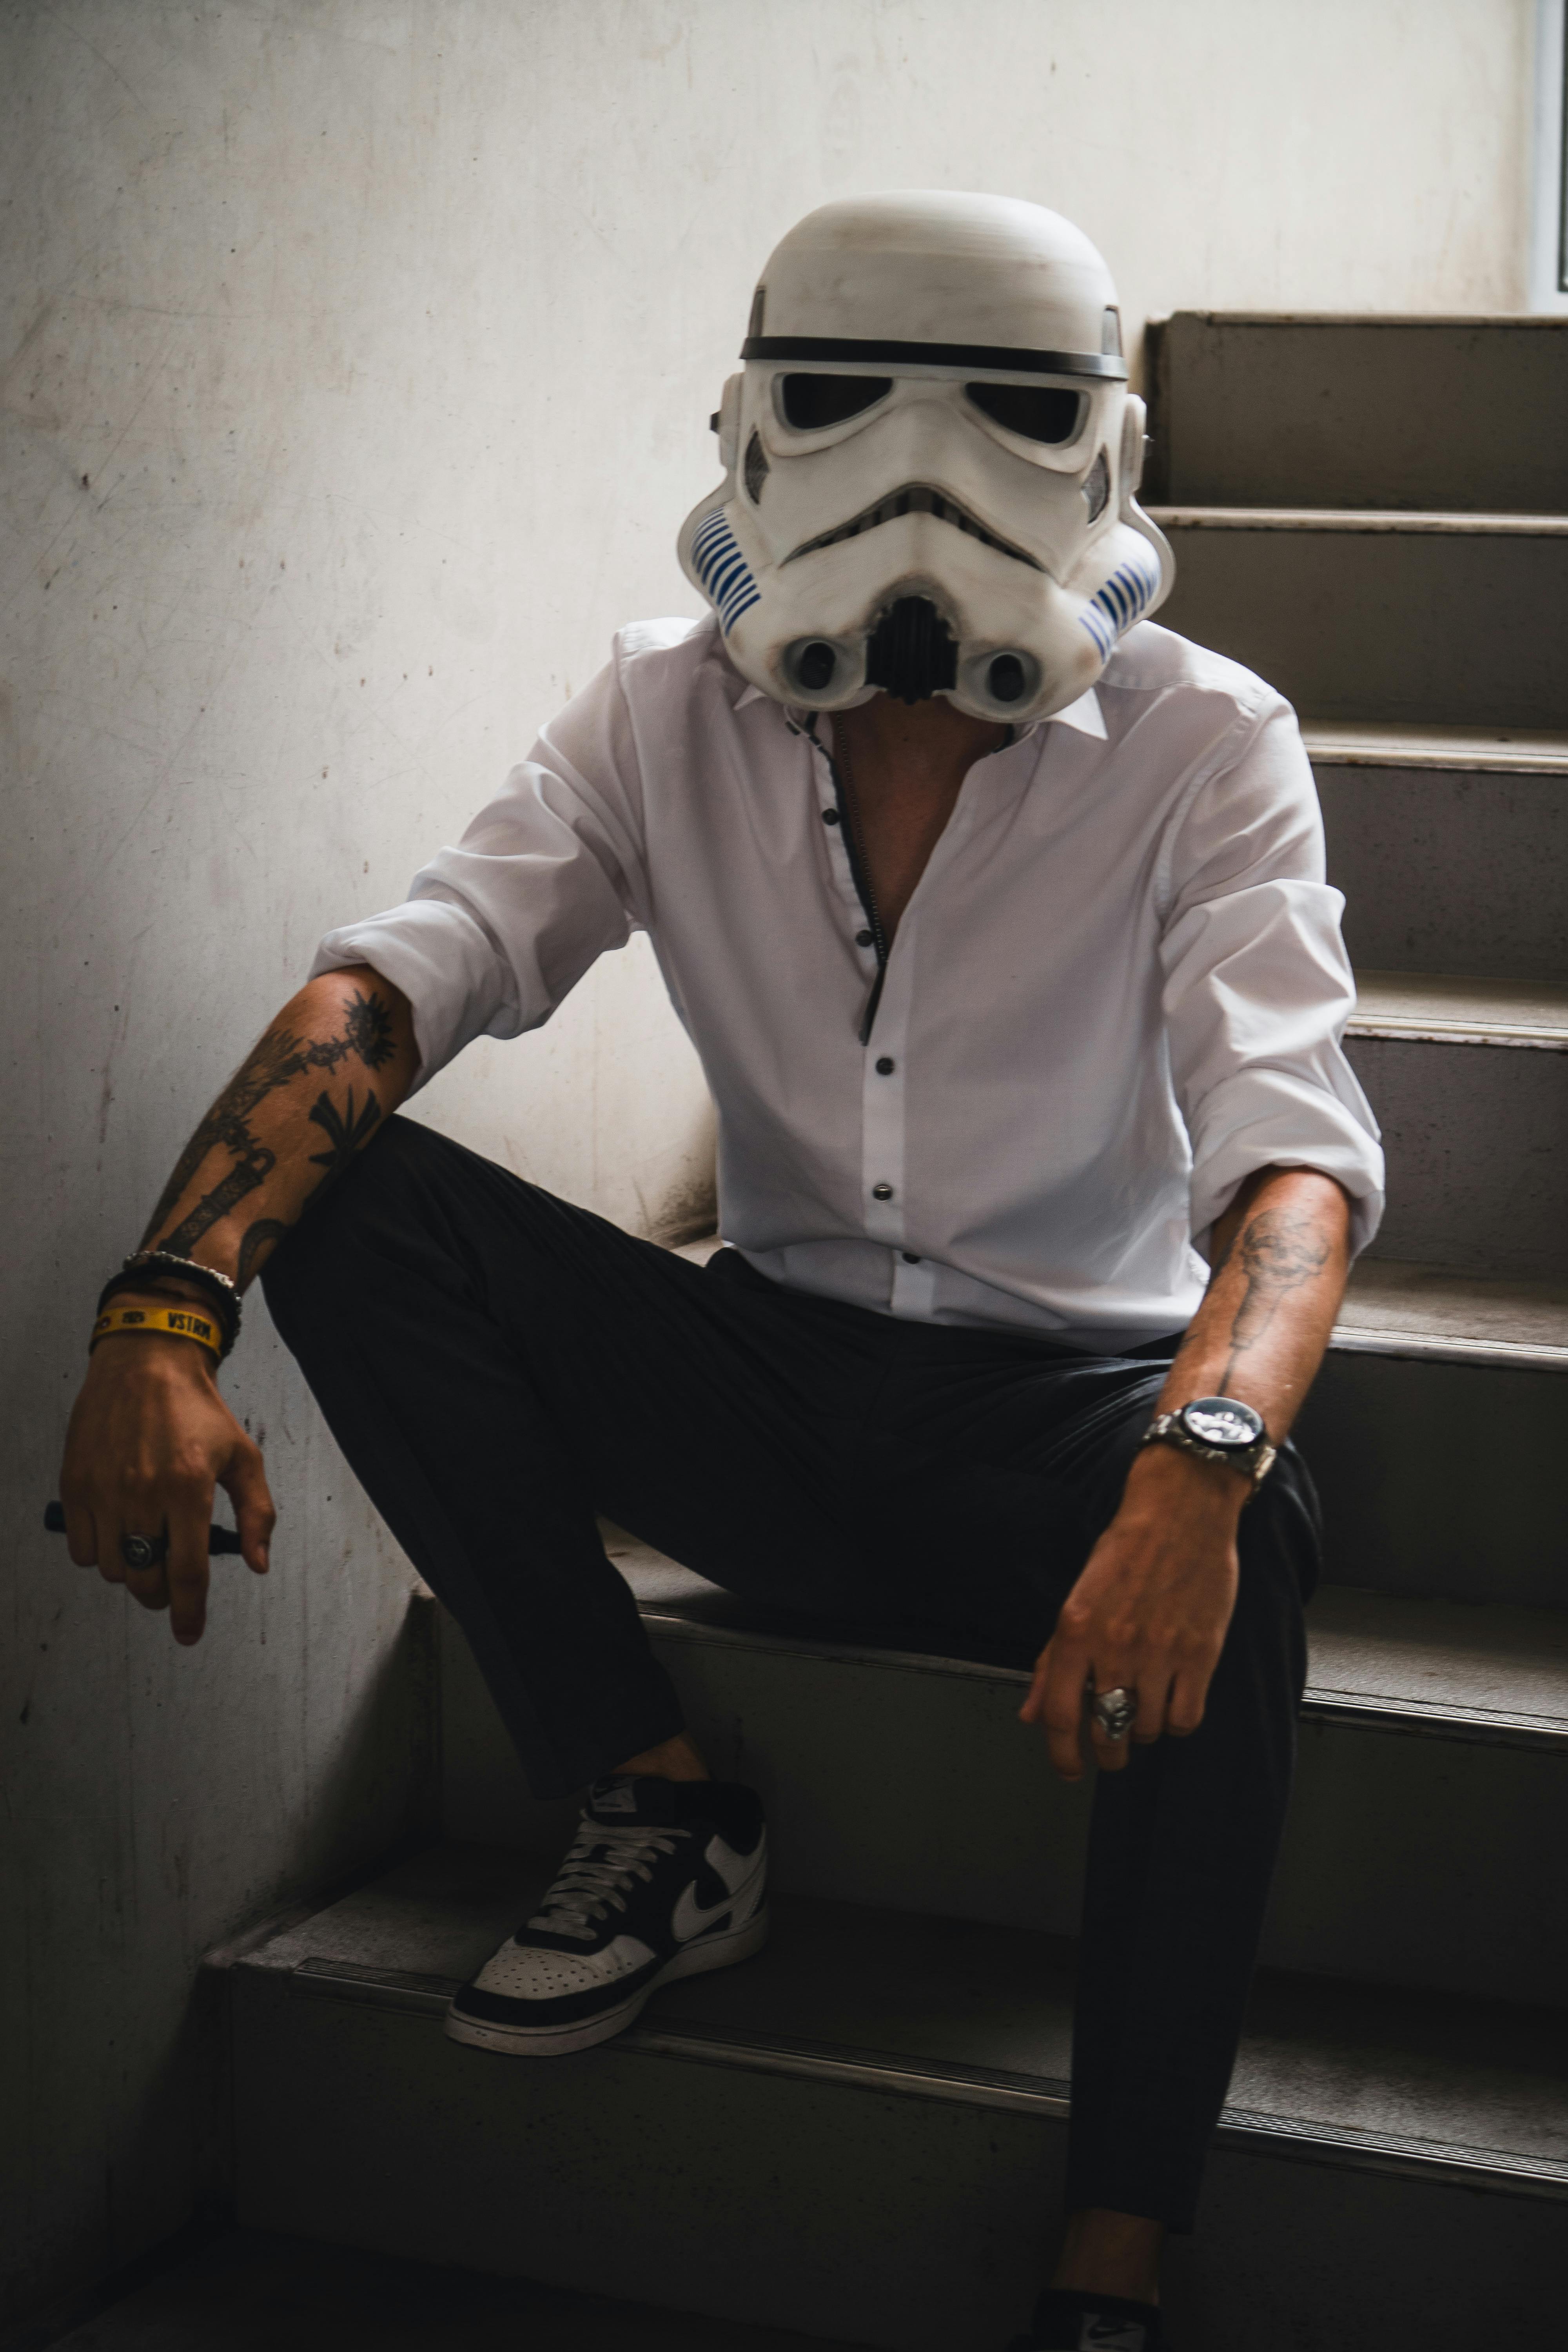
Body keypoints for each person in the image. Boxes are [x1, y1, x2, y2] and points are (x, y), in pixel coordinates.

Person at [59, 194, 1383, 2352]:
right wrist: (161, 1304)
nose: (929, 478)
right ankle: (660, 1802)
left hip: (1061, 1434)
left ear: (1108, 449)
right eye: (859, 402)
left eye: (1014, 416)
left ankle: (1113, 2254)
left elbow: (1295, 1159)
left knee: (1264, 1541)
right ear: (757, 428)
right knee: (361, 1195)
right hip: (760, 1387)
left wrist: (1202, 1463)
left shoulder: (1205, 739)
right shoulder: (658, 713)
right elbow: (402, 982)